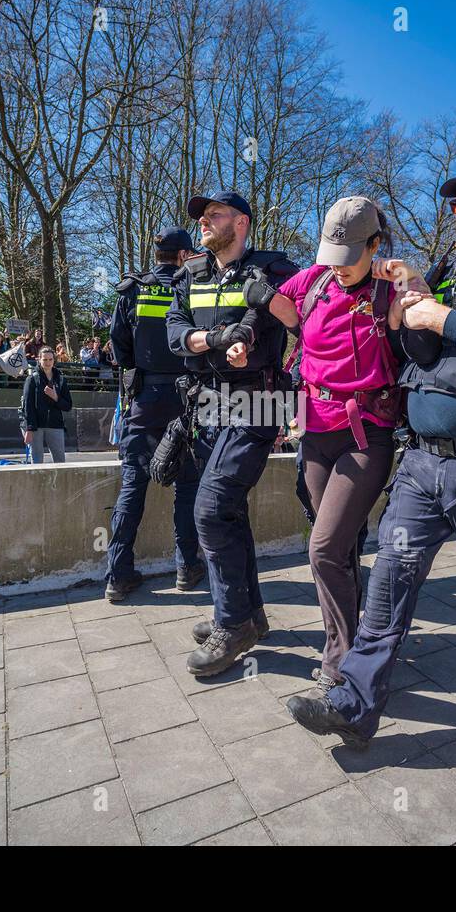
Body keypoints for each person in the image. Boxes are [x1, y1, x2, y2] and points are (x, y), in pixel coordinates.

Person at [283, 161, 456, 748]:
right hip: (422, 462)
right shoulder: (440, 272)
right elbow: (418, 352)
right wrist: (418, 303)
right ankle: (354, 705)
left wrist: (438, 314)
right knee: (387, 581)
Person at [249, 196, 404, 694]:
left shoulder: (390, 287)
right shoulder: (315, 278)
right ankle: (356, 635)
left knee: (323, 547)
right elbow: (280, 308)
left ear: (375, 245)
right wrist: (254, 309)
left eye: (348, 257)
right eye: (330, 255)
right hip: (315, 428)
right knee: (337, 546)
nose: (336, 269)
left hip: (367, 433)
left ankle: (341, 657)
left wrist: (410, 283)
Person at [164, 190, 299, 676]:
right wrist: (215, 340)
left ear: (241, 223)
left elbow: (295, 319)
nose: (203, 221)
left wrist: (250, 332)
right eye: (199, 215)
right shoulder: (193, 273)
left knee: (211, 507)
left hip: (257, 401)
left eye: (213, 214)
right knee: (228, 511)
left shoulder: (271, 269)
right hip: (209, 404)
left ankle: (233, 622)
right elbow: (175, 333)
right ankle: (248, 615)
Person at [104, 227, 203, 601]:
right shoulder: (191, 287)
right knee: (187, 486)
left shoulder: (132, 288)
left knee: (133, 483)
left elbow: (119, 345)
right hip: (185, 398)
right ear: (182, 256)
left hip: (144, 398)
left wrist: (141, 374)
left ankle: (118, 574)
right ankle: (186, 566)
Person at [21, 345, 73, 462]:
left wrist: (56, 397)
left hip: (56, 424)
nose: (48, 362)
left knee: (60, 462)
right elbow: (27, 406)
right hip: (36, 426)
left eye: (50, 359)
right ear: (39, 359)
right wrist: (29, 429)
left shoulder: (60, 379)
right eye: (45, 359)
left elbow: (68, 405)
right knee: (37, 461)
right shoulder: (32, 379)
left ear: (54, 360)